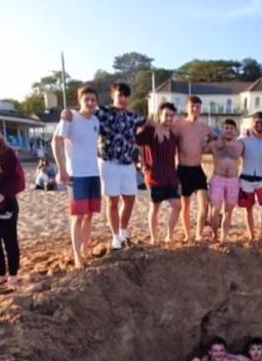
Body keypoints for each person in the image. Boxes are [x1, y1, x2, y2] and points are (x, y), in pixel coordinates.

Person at [61, 83, 145, 250]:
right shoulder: (102, 112)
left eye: (126, 96)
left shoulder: (133, 117)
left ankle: (123, 232)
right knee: (112, 201)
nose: (123, 99)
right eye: (120, 96)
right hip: (108, 162)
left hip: (128, 163)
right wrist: (66, 112)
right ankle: (115, 237)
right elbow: (83, 110)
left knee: (130, 199)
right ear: (113, 96)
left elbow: (149, 123)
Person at [52, 86, 101, 269]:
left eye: (93, 99)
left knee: (89, 216)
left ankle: (84, 249)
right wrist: (61, 169)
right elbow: (56, 141)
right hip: (76, 175)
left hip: (93, 173)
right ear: (79, 100)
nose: (90, 102)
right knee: (77, 216)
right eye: (86, 99)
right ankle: (77, 256)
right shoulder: (70, 117)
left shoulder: (95, 120)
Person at [171, 96, 218, 241]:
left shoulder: (204, 127)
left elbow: (217, 138)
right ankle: (187, 234)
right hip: (183, 169)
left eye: (198, 106)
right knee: (185, 205)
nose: (195, 109)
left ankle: (198, 234)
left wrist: (207, 146)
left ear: (200, 109)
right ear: (187, 107)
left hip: (197, 169)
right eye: (192, 106)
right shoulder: (179, 124)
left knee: (204, 203)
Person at [135, 103, 182, 245]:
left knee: (177, 206)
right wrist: (140, 161)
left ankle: (169, 235)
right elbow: (135, 140)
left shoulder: (173, 135)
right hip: (155, 176)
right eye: (166, 115)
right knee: (155, 208)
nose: (169, 118)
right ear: (160, 115)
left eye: (172, 115)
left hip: (171, 177)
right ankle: (154, 238)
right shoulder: (150, 131)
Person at [0, 129, 26, 286]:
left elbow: (18, 179)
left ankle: (13, 274)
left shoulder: (9, 154)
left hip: (6, 204)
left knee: (9, 240)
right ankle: (1, 273)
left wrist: (3, 194)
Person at [238, 111, 262, 242]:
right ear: (252, 122)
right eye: (256, 122)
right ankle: (251, 234)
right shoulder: (243, 138)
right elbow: (233, 149)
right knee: (248, 209)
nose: (259, 124)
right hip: (246, 177)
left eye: (261, 122)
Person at [207, 119, 245, 242]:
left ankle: (223, 238)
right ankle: (215, 234)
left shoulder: (240, 145)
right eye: (226, 128)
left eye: (231, 128)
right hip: (218, 178)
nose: (229, 130)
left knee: (228, 211)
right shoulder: (214, 144)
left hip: (233, 180)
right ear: (222, 130)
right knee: (215, 210)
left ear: (235, 131)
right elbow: (198, 149)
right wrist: (210, 137)